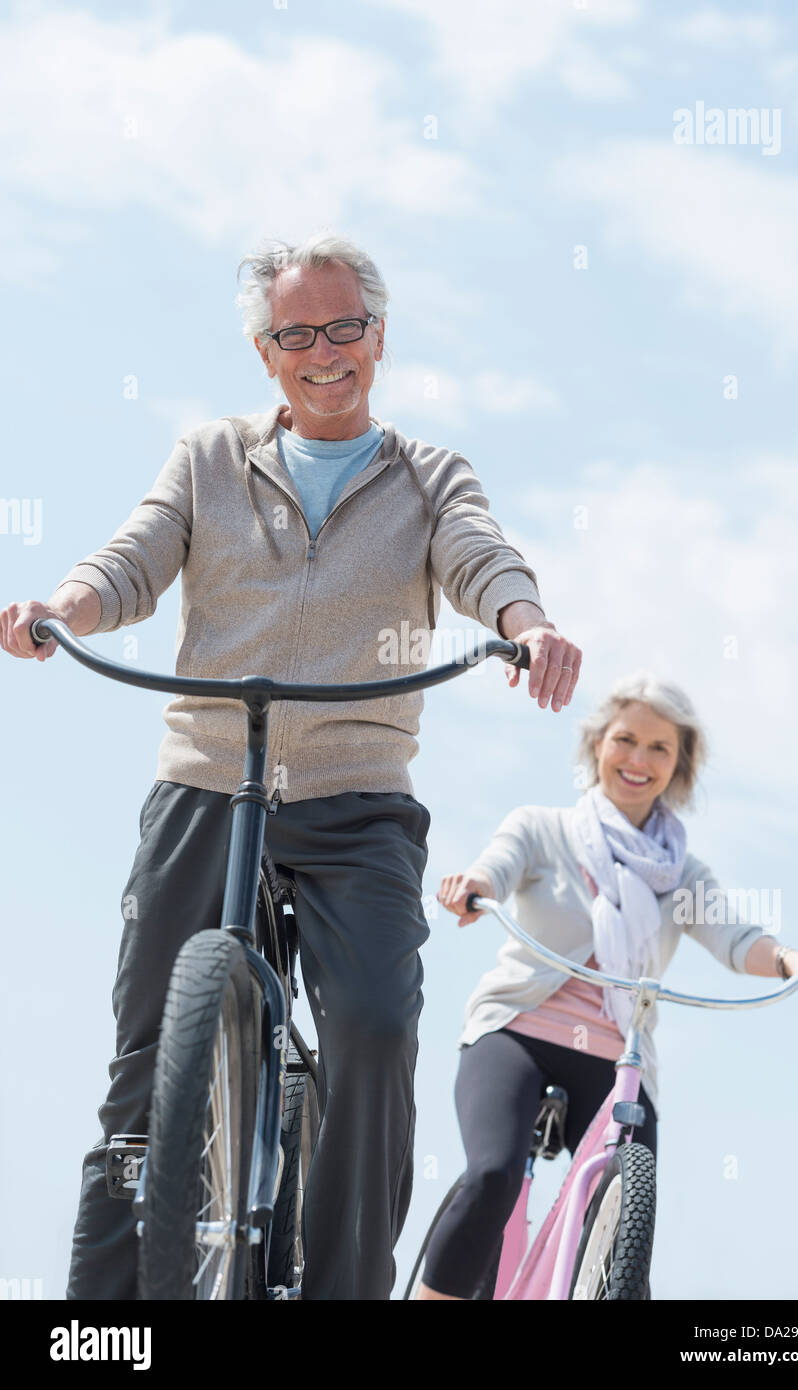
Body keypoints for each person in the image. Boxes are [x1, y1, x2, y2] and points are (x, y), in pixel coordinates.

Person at [0, 232, 582, 1301]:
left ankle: (346, 1288)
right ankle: (101, 1316)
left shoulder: (428, 475)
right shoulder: (208, 457)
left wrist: (526, 621)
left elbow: (479, 555)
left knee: (369, 1026)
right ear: (265, 354)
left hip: (354, 801)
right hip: (206, 784)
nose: (325, 351)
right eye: (296, 334)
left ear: (379, 336)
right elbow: (134, 555)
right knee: (145, 1060)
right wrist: (59, 608)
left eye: (345, 326)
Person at [418, 672, 798, 1299]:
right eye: (625, 740)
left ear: (680, 764)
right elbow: (496, 868)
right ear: (597, 746)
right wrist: (473, 885)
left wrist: (790, 959)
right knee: (492, 1175)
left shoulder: (680, 873)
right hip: (517, 1033)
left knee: (624, 1228)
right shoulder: (544, 828)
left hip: (618, 1055)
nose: (638, 760)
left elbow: (734, 936)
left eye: (659, 748)